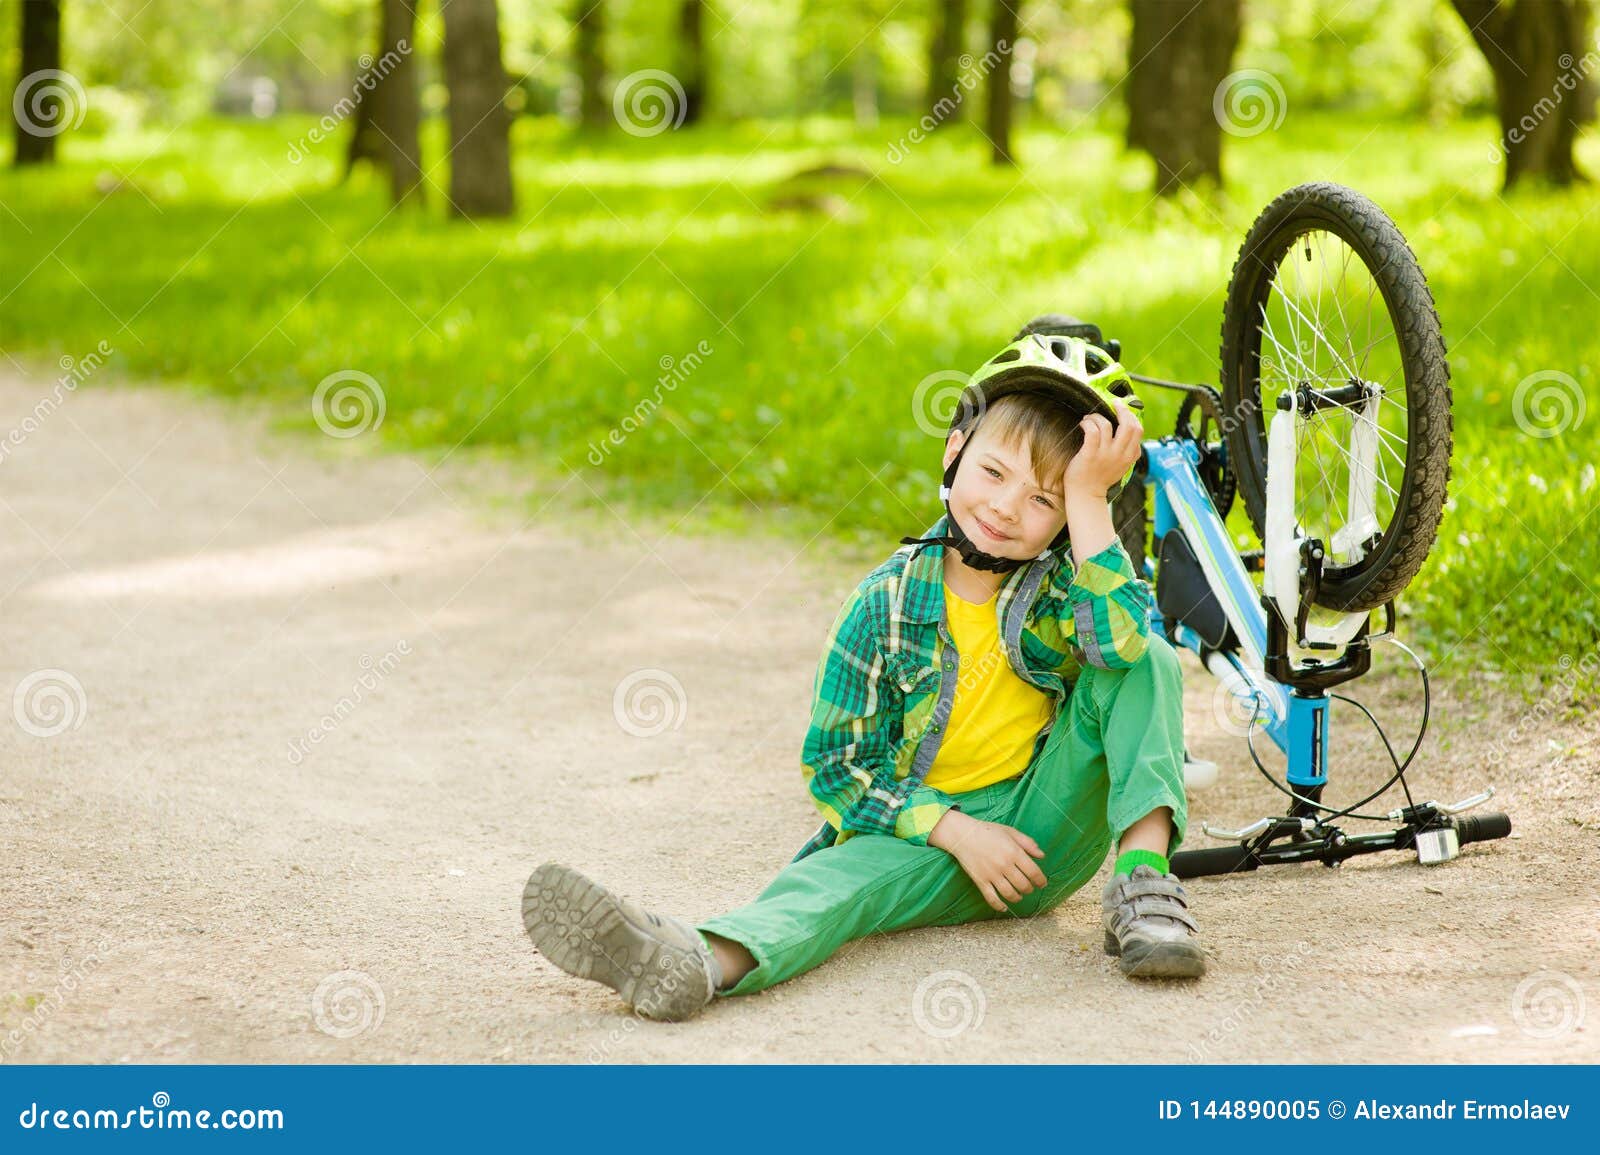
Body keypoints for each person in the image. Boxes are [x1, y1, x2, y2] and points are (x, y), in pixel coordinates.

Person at [521, 327, 1205, 1022]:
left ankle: (1143, 886)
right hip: (937, 846)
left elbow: (1119, 645)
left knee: (1143, 656)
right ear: (954, 451)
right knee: (834, 881)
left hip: (1046, 831)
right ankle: (693, 960)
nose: (1005, 507)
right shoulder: (883, 606)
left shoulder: (1058, 591)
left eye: (1044, 500)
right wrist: (955, 830)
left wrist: (1090, 500)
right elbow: (837, 767)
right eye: (994, 473)